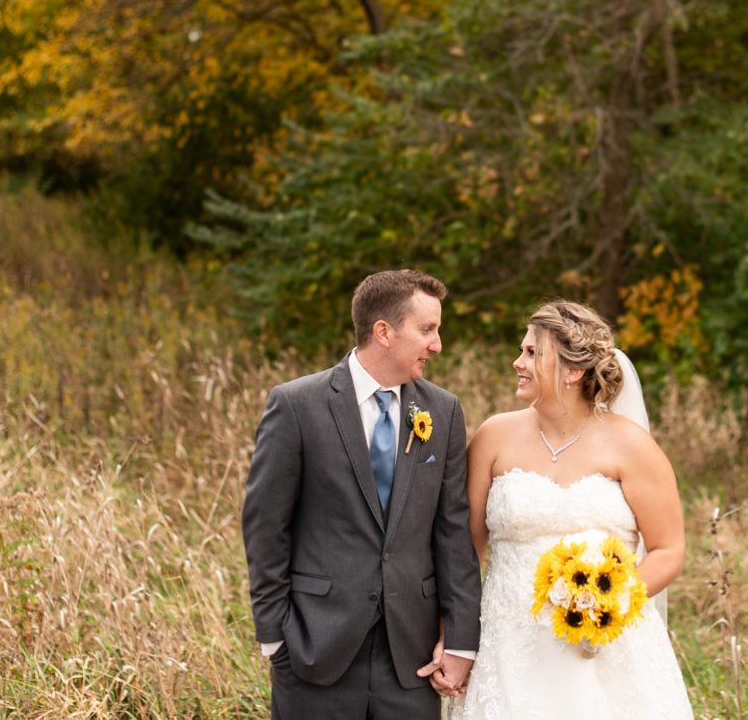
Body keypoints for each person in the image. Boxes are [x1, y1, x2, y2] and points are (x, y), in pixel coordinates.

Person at [242, 269, 482, 719]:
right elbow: (265, 525)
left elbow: (453, 533)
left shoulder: (443, 411)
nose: (438, 345)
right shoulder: (296, 405)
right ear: (383, 331)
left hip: (411, 658)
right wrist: (275, 636)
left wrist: (462, 639)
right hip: (315, 649)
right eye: (427, 329)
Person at [451, 300, 693, 718]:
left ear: (573, 371)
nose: (517, 362)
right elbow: (464, 550)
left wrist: (609, 603)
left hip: (606, 651)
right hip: (510, 647)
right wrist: (454, 637)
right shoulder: (494, 436)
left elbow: (668, 549)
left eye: (531, 353)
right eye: (521, 350)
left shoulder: (632, 446)